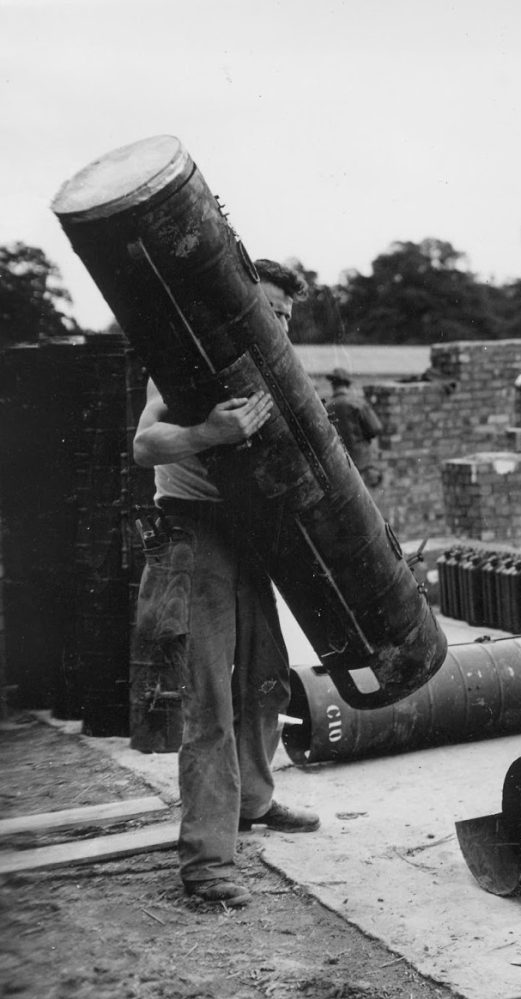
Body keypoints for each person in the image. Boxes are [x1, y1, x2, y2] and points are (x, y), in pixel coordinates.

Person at [130, 258, 320, 908]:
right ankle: (208, 864)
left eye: (288, 316)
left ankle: (256, 802)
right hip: (194, 534)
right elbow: (145, 444)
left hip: (249, 537)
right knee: (207, 698)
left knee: (264, 677)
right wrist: (209, 432)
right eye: (269, 309)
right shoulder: (190, 361)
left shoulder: (276, 373)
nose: (280, 323)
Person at [325, 367, 384, 487]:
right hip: (363, 463)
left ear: (333, 386)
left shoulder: (327, 408)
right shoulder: (357, 403)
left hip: (341, 465)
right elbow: (375, 428)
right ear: (348, 385)